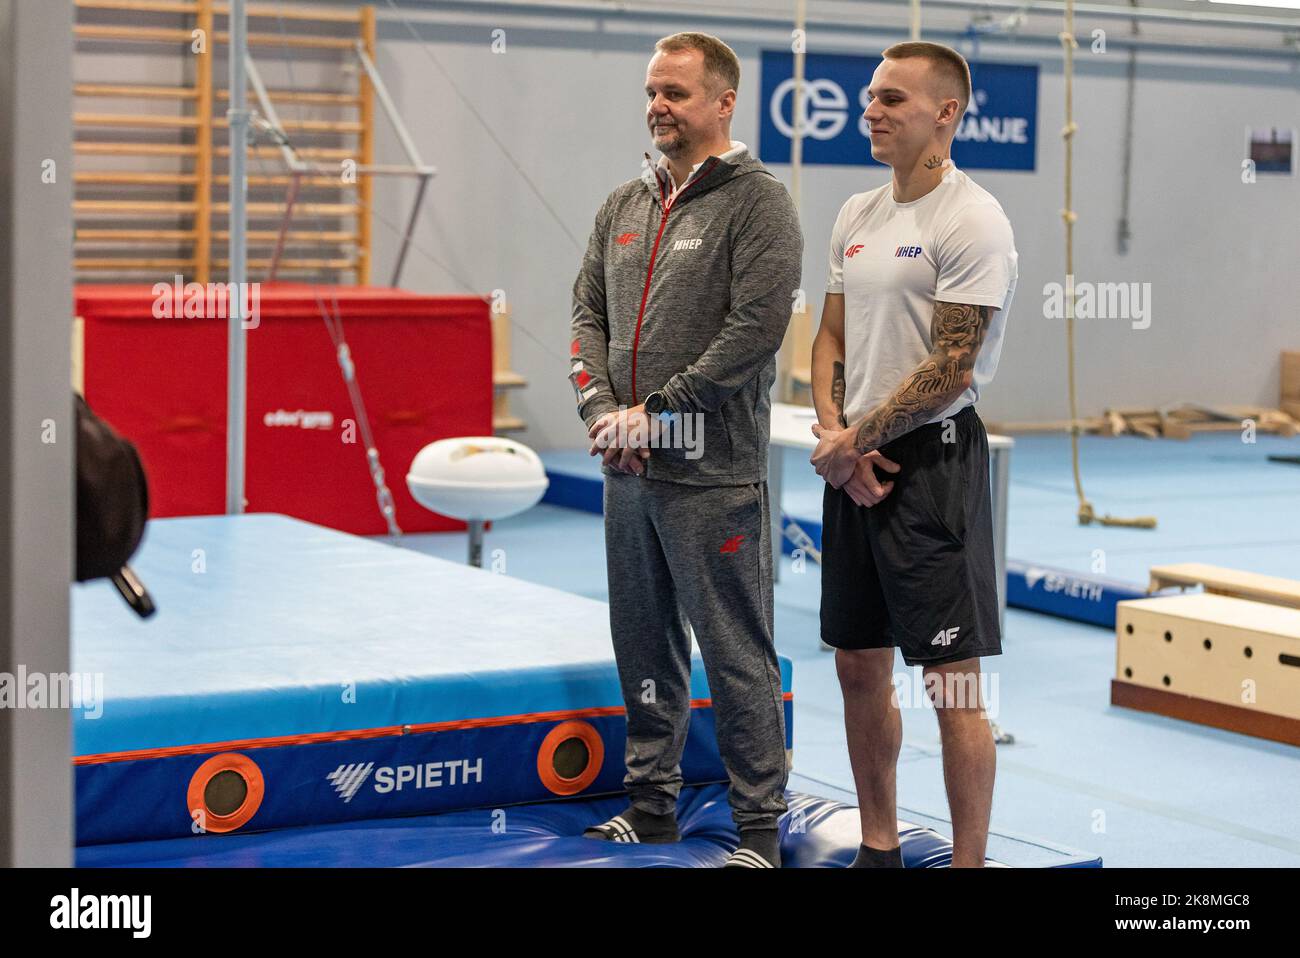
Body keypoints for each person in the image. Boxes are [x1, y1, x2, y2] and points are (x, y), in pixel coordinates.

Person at [568, 32, 803, 867]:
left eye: (675, 92)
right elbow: (586, 315)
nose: (657, 106)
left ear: (723, 102)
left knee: (735, 653)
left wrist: (657, 413)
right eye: (652, 91)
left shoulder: (758, 204)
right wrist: (603, 409)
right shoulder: (623, 206)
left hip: (711, 473)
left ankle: (759, 834)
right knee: (644, 645)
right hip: (627, 470)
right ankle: (652, 806)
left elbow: (755, 332)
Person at [808, 41, 1019, 868]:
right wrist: (835, 438)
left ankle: (969, 862)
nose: (872, 110)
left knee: (951, 680)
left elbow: (950, 366)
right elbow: (828, 334)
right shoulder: (856, 213)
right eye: (870, 96)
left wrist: (853, 443)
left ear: (946, 113)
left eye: (893, 98)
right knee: (859, 663)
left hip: (930, 463)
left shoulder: (973, 219)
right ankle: (879, 844)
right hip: (851, 460)